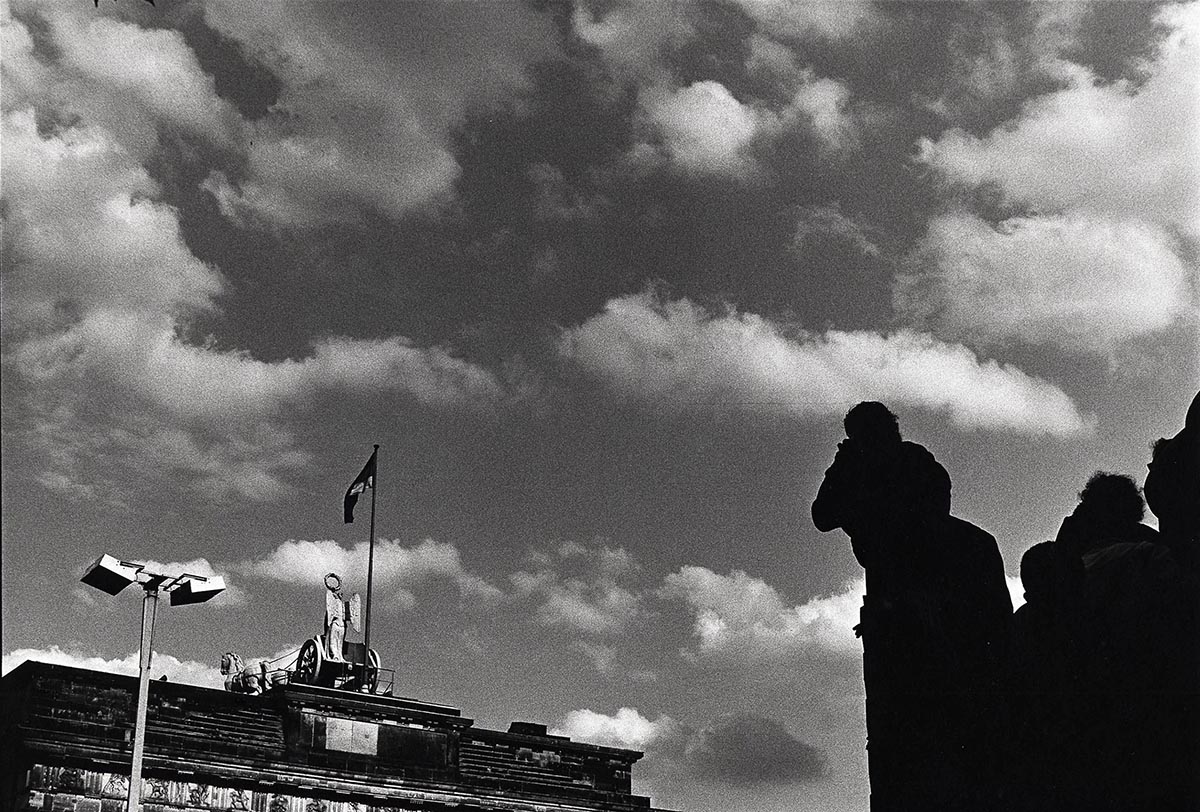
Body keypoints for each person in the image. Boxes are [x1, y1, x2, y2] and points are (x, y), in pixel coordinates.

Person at [812, 402, 1010, 811]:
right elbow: (822, 515)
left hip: (917, 590)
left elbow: (933, 506)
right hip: (895, 596)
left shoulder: (911, 465)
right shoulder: (867, 469)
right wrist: (840, 468)